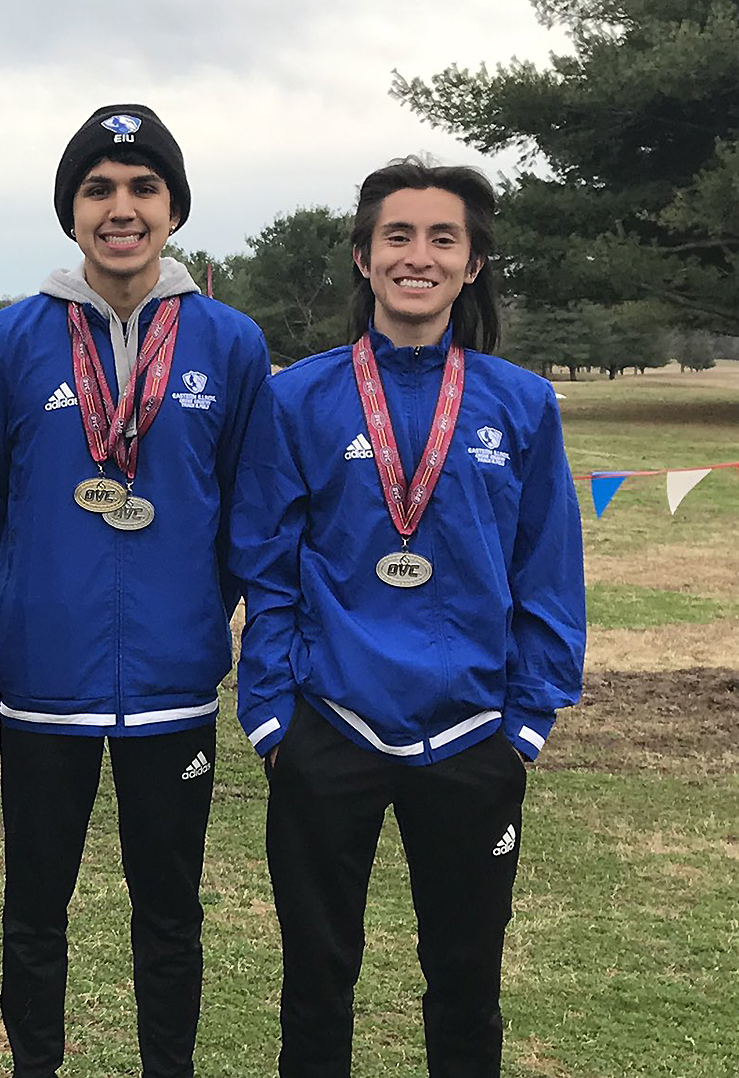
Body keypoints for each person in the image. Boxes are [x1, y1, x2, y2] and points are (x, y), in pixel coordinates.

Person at [231, 158, 585, 1077]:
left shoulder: (521, 403)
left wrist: (529, 723)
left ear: (471, 266)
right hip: (330, 723)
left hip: (473, 731)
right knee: (316, 976)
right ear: (362, 256)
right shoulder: (298, 395)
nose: (417, 256)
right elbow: (266, 567)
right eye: (398, 235)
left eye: (443, 238)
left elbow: (546, 570)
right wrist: (274, 714)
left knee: (466, 981)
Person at [0, 104, 269, 1078]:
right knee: (33, 908)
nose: (121, 208)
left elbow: (242, 517)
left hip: (175, 683)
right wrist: (23, 606)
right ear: (71, 211)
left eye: (143, 188)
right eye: (99, 189)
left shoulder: (231, 344)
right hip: (45, 682)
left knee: (171, 911)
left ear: (173, 207)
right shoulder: (9, 342)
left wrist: (192, 610)